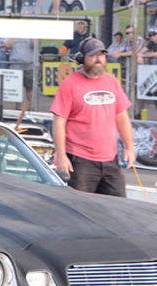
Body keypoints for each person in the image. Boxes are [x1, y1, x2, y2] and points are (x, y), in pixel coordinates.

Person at [51, 37, 135, 196]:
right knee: (82, 209)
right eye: (93, 55)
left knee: (118, 208)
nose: (98, 59)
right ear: (82, 58)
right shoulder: (70, 84)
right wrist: (61, 156)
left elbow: (122, 116)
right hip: (80, 161)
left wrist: (129, 147)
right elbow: (59, 122)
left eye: (101, 55)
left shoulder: (112, 82)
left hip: (110, 159)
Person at [6, 36, 36, 108]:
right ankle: (18, 106)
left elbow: (35, 45)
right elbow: (7, 46)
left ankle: (30, 106)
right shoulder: (13, 37)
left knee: (29, 87)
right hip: (16, 65)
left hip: (29, 65)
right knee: (17, 88)